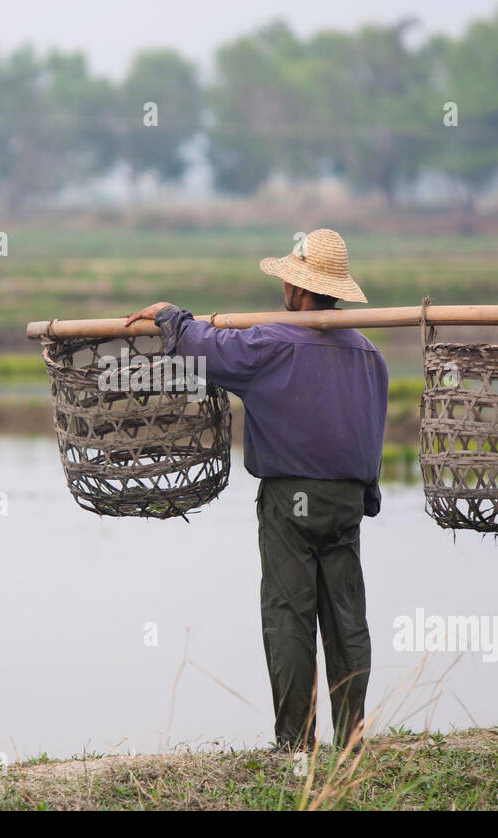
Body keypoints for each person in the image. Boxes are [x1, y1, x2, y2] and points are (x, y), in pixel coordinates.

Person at [126, 228, 389, 751]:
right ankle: (353, 738)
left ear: (299, 289)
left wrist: (171, 316)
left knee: (289, 616)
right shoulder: (369, 355)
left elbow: (206, 350)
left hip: (291, 503)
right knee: (346, 619)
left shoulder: (271, 343)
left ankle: (295, 742)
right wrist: (364, 498)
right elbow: (370, 430)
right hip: (347, 504)